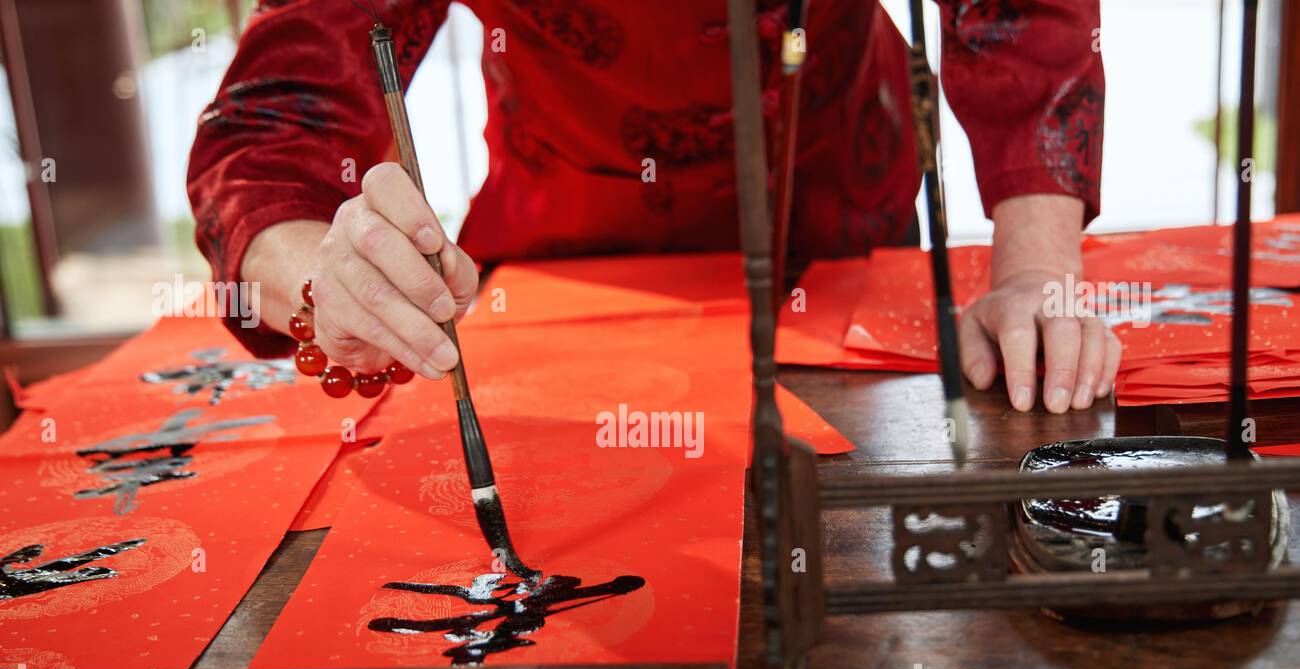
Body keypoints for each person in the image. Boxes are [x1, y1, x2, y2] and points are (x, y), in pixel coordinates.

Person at [188, 0, 1116, 413]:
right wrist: (322, 274)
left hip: (837, 210)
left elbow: (1017, 10)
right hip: (578, 244)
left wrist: (1035, 268)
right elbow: (271, 123)